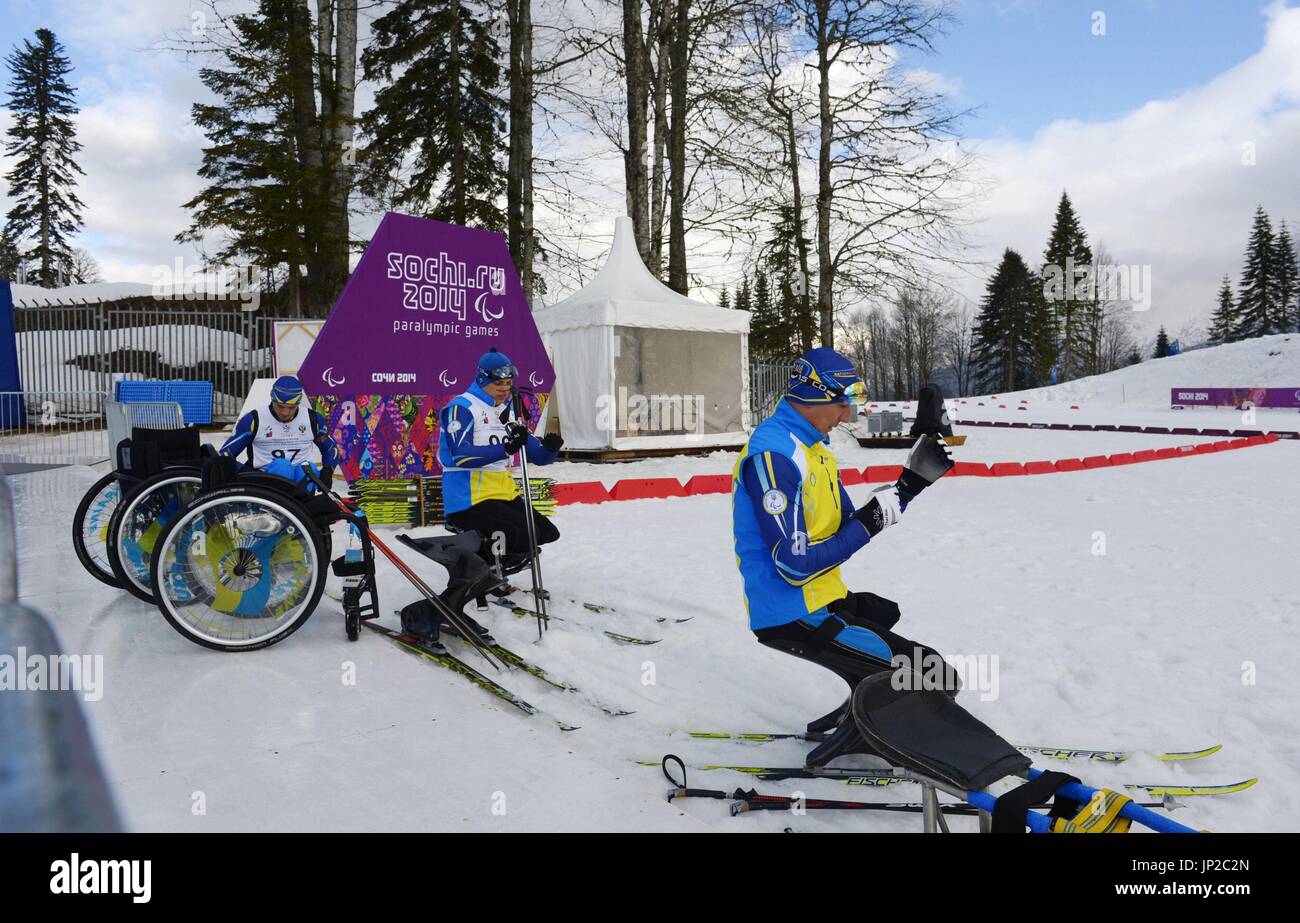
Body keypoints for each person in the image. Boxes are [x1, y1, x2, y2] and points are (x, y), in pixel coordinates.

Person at [731, 348, 957, 766]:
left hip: (822, 597)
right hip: (790, 611)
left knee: (901, 636)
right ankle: (893, 737)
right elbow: (793, 564)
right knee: (933, 676)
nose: (847, 415)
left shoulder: (812, 446)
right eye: (843, 402)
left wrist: (909, 484)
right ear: (814, 395)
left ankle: (866, 716)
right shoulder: (776, 455)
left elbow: (847, 522)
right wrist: (872, 521)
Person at [437, 348, 563, 577]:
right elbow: (461, 455)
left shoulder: (507, 410)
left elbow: (536, 455)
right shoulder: (463, 407)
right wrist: (505, 448)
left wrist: (551, 449)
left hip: (502, 494)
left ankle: (489, 568)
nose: (505, 389)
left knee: (547, 532)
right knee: (524, 536)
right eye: (499, 384)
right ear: (482, 379)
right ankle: (483, 573)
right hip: (468, 498)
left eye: (508, 383)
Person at [220, 374, 342, 487]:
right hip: (265, 479)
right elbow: (225, 454)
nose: (285, 413)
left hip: (300, 476)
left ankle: (304, 505)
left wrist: (327, 470)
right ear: (272, 399)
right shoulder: (253, 420)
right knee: (282, 467)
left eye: (291, 407)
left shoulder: (313, 419)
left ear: (299, 402)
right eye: (280, 406)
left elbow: (331, 449)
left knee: (309, 469)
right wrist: (245, 473)